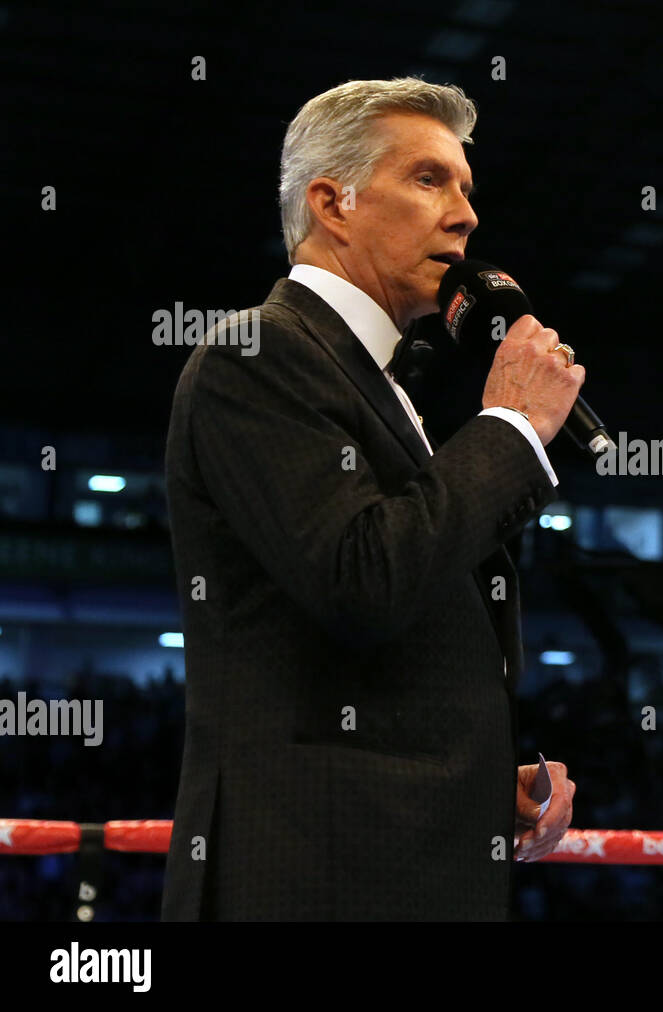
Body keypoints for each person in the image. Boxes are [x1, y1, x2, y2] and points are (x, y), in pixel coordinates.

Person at [161, 77, 579, 920]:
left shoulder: (379, 378)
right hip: (316, 874)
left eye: (465, 189)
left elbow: (400, 620)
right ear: (333, 201)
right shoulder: (259, 354)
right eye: (429, 180)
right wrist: (512, 429)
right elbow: (362, 579)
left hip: (391, 859)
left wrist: (481, 776)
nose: (463, 216)